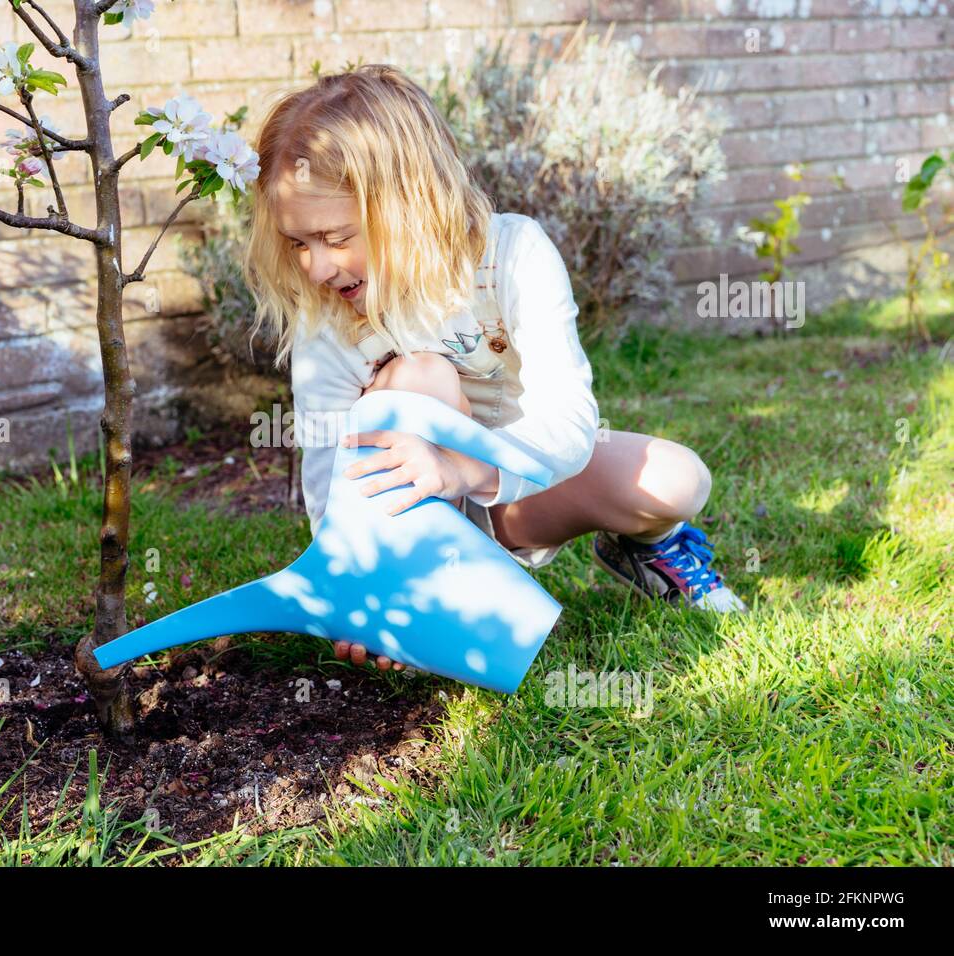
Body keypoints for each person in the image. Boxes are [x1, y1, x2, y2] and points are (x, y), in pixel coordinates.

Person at [241, 64, 748, 673]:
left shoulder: (513, 254)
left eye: (336, 236)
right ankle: (434, 591)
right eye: (299, 244)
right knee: (420, 377)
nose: (318, 267)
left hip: (510, 490)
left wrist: (461, 469)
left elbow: (568, 425)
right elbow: (328, 476)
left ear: (408, 202)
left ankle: (650, 550)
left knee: (678, 480)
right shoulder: (329, 316)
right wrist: (362, 596)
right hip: (415, 528)